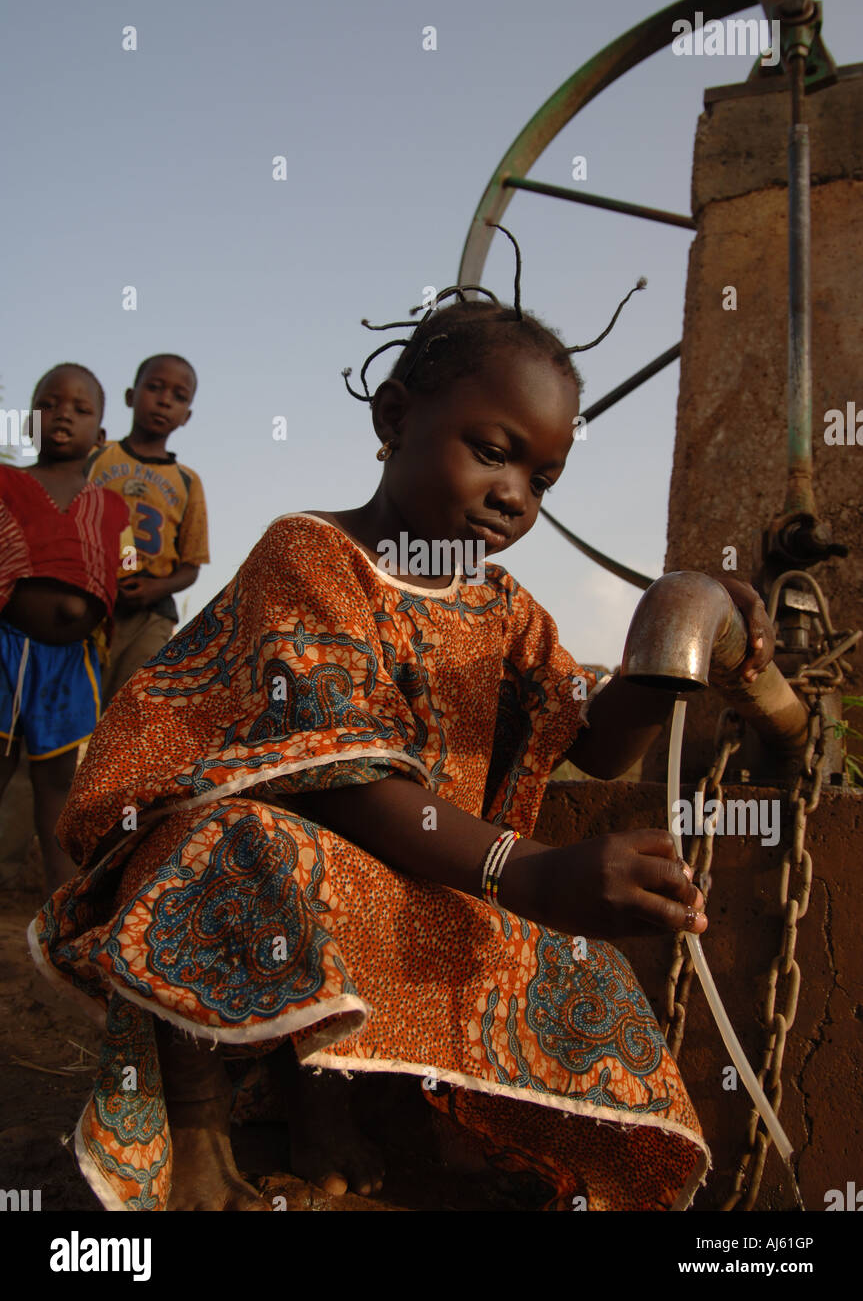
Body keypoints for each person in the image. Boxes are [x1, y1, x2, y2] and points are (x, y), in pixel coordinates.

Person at [29, 248, 773, 1212]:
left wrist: (680, 636)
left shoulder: (502, 605)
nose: (517, 496)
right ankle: (198, 1119)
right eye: (494, 450)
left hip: (413, 880)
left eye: (543, 477)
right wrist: (534, 871)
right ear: (393, 420)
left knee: (575, 964)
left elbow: (593, 743)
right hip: (250, 873)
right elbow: (341, 782)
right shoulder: (311, 554)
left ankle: (331, 1097)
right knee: (244, 842)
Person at [0, 364, 130, 892]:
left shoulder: (113, 506)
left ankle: (59, 907)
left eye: (80, 410)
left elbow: (124, 566)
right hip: (9, 649)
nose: (64, 416)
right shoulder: (8, 482)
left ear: (100, 436)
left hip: (73, 661)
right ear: (30, 421)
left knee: (57, 782)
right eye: (51, 405)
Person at [86, 353, 209, 705]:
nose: (165, 400)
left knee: (131, 704)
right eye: (154, 388)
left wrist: (155, 587)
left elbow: (191, 567)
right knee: (73, 701)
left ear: (186, 416)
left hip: (150, 614)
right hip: (90, 603)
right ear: (130, 396)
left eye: (179, 396)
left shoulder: (188, 482)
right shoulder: (98, 456)